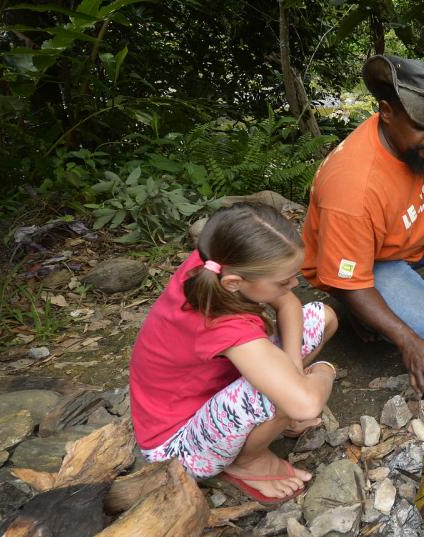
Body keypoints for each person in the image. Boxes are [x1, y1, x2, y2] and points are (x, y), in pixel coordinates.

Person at [300, 55, 424, 400]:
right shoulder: (352, 186)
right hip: (367, 263)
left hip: (415, 238)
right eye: (423, 126)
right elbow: (348, 280)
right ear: (387, 112)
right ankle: (361, 314)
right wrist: (410, 342)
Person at [130, 202, 339, 504]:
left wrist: (292, 367)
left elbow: (289, 304)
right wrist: (323, 371)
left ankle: (260, 427)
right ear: (234, 284)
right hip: (176, 447)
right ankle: (247, 462)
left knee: (323, 317)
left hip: (208, 396)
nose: (295, 284)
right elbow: (306, 406)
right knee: (288, 395)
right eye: (284, 281)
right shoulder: (223, 324)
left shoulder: (216, 262)